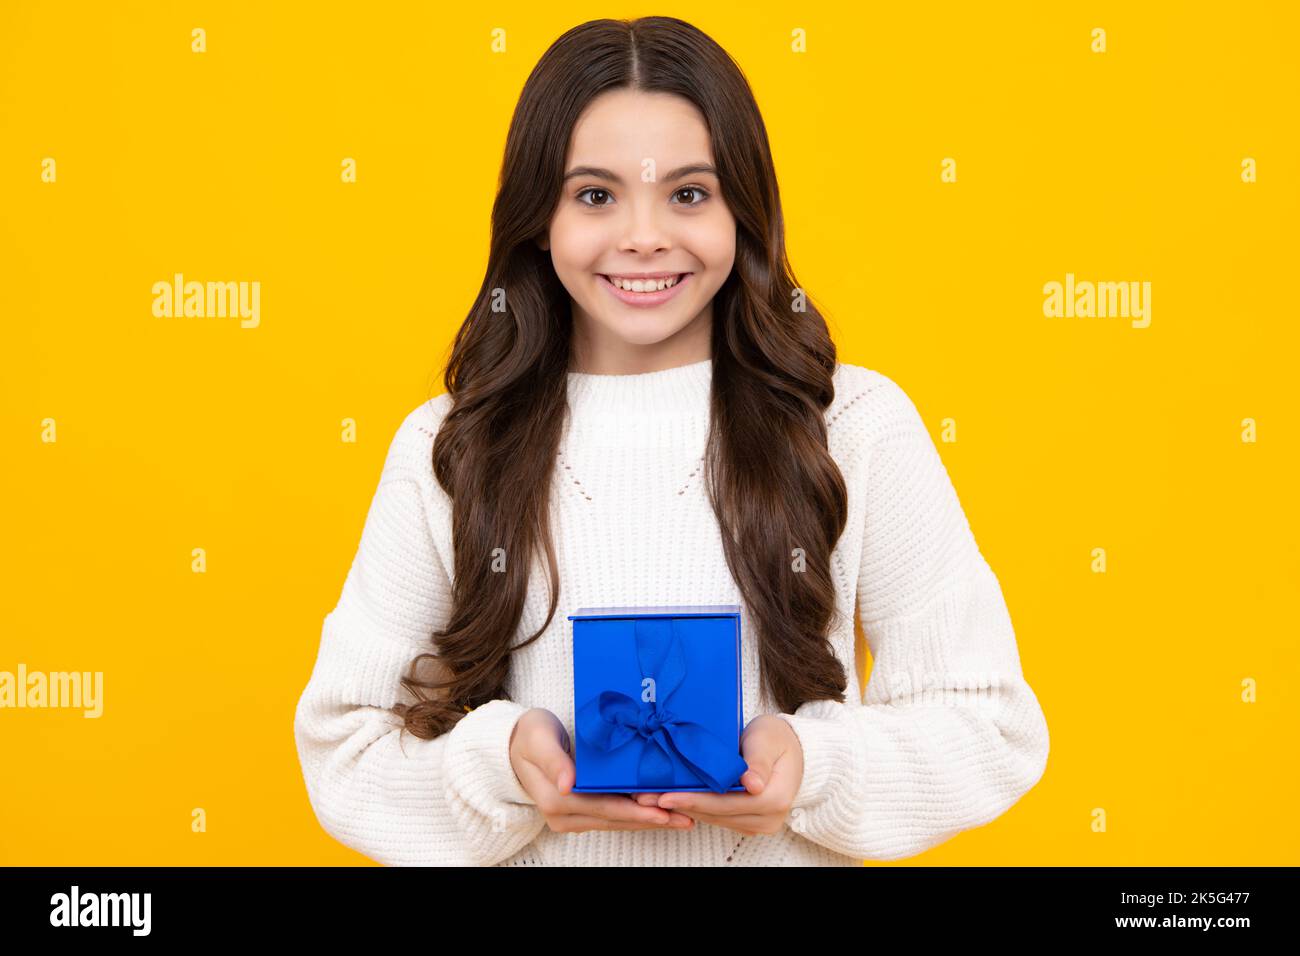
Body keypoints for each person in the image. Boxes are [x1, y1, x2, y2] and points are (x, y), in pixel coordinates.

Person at [292, 15, 1049, 866]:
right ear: (540, 216)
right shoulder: (450, 447)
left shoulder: (853, 425)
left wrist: (819, 766)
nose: (643, 236)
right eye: (595, 194)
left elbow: (991, 724)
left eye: (689, 193)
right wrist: (501, 763)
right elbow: (343, 753)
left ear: (744, 210)